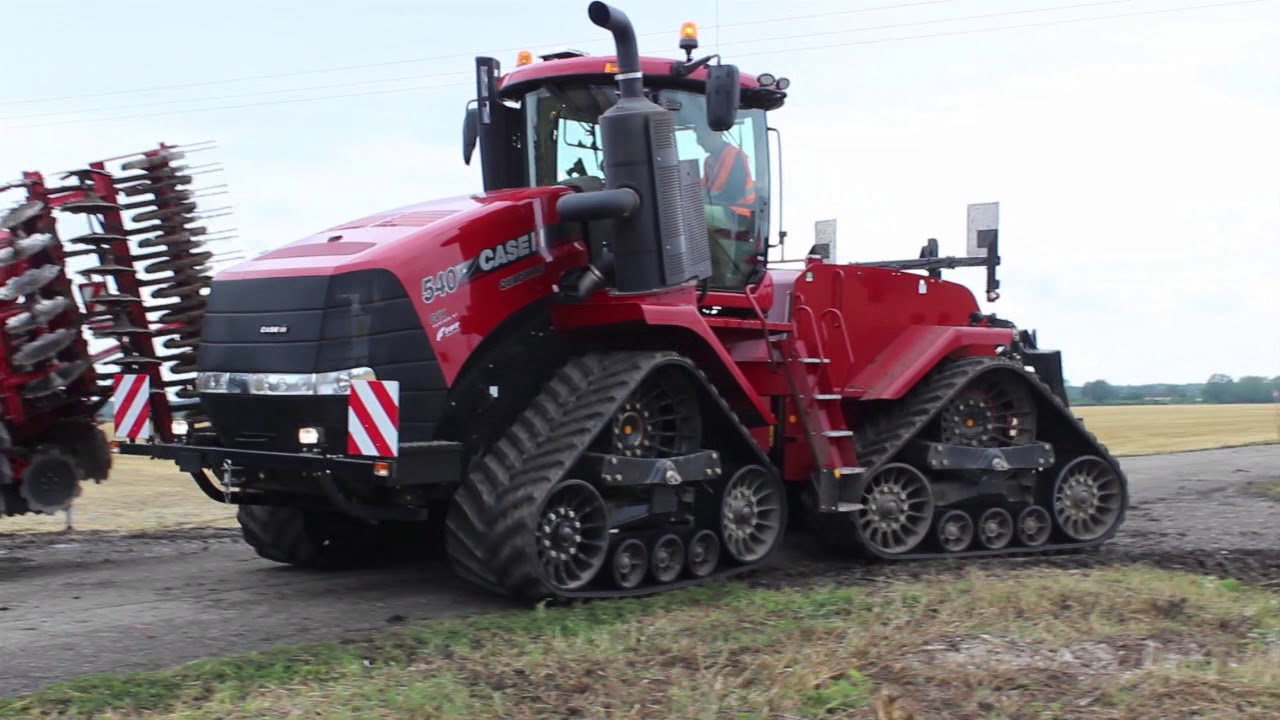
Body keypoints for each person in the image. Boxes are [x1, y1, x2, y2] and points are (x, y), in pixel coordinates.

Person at [693, 124, 758, 288]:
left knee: (695, 214)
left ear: (715, 134)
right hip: (720, 209)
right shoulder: (709, 161)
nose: (698, 142)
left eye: (700, 136)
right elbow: (704, 189)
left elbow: (734, 192)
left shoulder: (735, 156)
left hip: (739, 212)